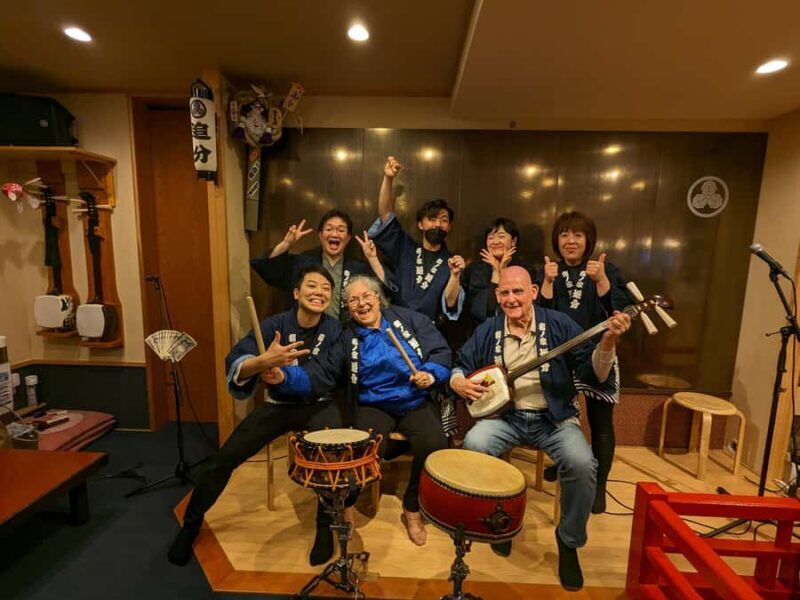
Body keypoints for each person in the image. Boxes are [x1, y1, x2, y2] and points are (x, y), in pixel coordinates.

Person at [450, 266, 630, 591]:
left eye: (518, 291)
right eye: (504, 293)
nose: (511, 299)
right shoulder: (489, 329)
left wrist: (608, 343)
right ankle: (499, 520)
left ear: (533, 292)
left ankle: (569, 541)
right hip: (506, 418)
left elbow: (594, 376)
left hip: (555, 420)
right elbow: (461, 361)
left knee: (582, 463)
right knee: (475, 445)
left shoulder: (559, 324)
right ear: (497, 295)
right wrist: (459, 381)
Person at [167, 265, 346, 567]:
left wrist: (283, 375)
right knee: (225, 459)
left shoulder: (334, 329)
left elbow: (327, 374)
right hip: (278, 405)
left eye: (326, 289)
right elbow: (238, 361)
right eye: (312, 286)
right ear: (296, 293)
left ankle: (324, 526)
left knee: (334, 456)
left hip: (317, 403)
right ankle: (191, 524)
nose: (320, 293)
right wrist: (261, 362)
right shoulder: (273, 324)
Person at [266, 275, 451, 546]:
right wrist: (284, 378)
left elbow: (440, 351)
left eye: (367, 296)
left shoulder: (410, 319)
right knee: (364, 449)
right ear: (347, 308)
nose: (362, 303)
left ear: (378, 298)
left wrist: (430, 374)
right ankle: (348, 505)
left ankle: (412, 508)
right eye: (353, 300)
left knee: (434, 444)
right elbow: (323, 371)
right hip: (373, 403)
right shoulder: (346, 336)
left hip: (414, 398)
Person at [536, 211, 632, 514]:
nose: (571, 241)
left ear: (588, 239)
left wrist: (602, 281)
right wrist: (548, 283)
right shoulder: (549, 270)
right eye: (564, 234)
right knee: (560, 416)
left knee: (601, 423)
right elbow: (541, 317)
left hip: (597, 355)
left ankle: (599, 485)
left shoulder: (607, 270)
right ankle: (564, 464)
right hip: (561, 357)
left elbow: (621, 313)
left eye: (577, 234)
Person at [368, 156, 464, 324]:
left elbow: (450, 304)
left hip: (428, 331)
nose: (438, 225)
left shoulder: (452, 263)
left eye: (444, 220)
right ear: (420, 224)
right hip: (395, 324)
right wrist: (388, 178)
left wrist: (455, 276)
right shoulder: (405, 247)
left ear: (449, 227)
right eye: (432, 219)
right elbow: (386, 214)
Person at [250, 209, 386, 320]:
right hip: (306, 334)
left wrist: (372, 259)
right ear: (320, 235)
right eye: (329, 229)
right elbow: (269, 270)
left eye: (341, 230)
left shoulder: (359, 268)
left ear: (348, 238)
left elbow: (383, 292)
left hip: (346, 336)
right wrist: (286, 244)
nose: (335, 233)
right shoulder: (302, 263)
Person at [463, 217, 537, 326]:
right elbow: (486, 311)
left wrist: (503, 269)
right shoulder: (475, 270)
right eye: (491, 237)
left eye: (501, 236)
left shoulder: (525, 270)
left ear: (513, 241)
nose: (496, 242)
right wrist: (495, 272)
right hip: (483, 330)